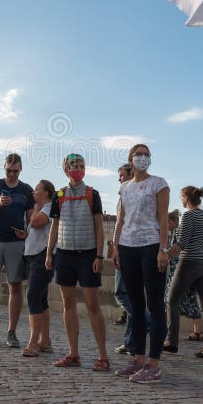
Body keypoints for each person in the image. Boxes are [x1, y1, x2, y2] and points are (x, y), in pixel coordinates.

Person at [45, 154, 108, 371]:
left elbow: (99, 226)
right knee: (68, 304)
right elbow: (54, 225)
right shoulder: (59, 194)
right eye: (74, 166)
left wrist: (100, 255)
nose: (78, 169)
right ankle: (73, 353)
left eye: (81, 165)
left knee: (92, 304)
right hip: (64, 253)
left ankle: (103, 355)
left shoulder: (92, 193)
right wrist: (49, 252)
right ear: (66, 170)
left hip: (87, 254)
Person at [113, 144, 170, 384]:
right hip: (128, 246)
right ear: (131, 159)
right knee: (136, 305)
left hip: (150, 244)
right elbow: (120, 219)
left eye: (146, 154)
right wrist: (115, 246)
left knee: (155, 304)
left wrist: (163, 249)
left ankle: (154, 363)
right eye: (139, 154)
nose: (143, 157)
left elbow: (164, 218)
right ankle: (137, 359)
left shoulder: (159, 183)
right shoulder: (125, 187)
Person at [0, 153, 34, 348]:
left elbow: (32, 220)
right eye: (9, 171)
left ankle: (12, 332)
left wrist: (26, 232)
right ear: (4, 168)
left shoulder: (26, 190)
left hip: (15, 243)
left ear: (20, 169)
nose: (11, 174)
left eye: (15, 171)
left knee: (15, 286)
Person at [163, 187, 203, 360]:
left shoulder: (188, 216)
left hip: (190, 262)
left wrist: (164, 257)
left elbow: (182, 243)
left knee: (172, 300)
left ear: (187, 198)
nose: (180, 199)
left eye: (181, 196)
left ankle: (171, 342)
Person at [20, 180, 55, 357]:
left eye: (37, 190)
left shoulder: (47, 208)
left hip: (42, 256)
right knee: (41, 299)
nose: (34, 192)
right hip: (34, 255)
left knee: (33, 296)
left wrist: (35, 209)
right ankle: (45, 341)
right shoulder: (43, 209)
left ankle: (33, 342)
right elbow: (33, 229)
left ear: (46, 193)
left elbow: (35, 222)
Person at [163, 210, 203, 351]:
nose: (166, 225)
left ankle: (172, 335)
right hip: (183, 268)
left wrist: (165, 255)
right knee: (190, 300)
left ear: (173, 221)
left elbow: (178, 249)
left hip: (179, 269)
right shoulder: (178, 230)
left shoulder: (178, 230)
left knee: (172, 300)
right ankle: (197, 331)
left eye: (167, 222)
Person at [112, 164, 135, 356]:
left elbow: (121, 222)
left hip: (128, 248)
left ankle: (147, 321)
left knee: (121, 293)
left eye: (122, 175)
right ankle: (130, 342)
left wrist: (116, 247)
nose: (119, 179)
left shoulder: (129, 195)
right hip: (129, 247)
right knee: (130, 296)